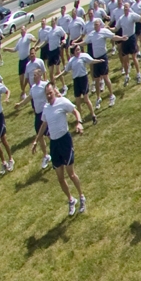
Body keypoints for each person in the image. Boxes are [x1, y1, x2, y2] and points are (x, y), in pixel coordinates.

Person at [40, 82, 86, 215]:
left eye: (50, 93)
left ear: (54, 91)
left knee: (70, 173)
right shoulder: (46, 108)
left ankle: (82, 196)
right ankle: (71, 200)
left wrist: (79, 122)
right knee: (60, 177)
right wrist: (36, 140)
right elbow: (44, 124)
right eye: (47, 94)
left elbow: (75, 111)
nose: (49, 95)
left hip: (65, 140)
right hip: (54, 144)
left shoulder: (62, 102)